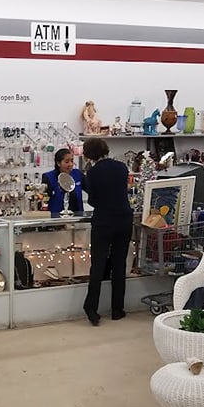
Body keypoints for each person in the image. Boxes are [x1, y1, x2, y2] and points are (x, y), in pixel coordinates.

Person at [81, 138, 133, 326]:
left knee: (98, 265)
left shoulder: (92, 173)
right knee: (119, 264)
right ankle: (117, 309)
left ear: (89, 154)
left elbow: (93, 200)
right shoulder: (121, 167)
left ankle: (92, 309)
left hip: (103, 222)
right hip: (124, 219)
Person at [42, 148, 86, 216]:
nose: (70, 164)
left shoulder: (77, 174)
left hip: (77, 217)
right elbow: (45, 200)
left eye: (72, 161)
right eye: (67, 162)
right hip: (56, 218)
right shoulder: (48, 177)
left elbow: (91, 189)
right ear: (58, 163)